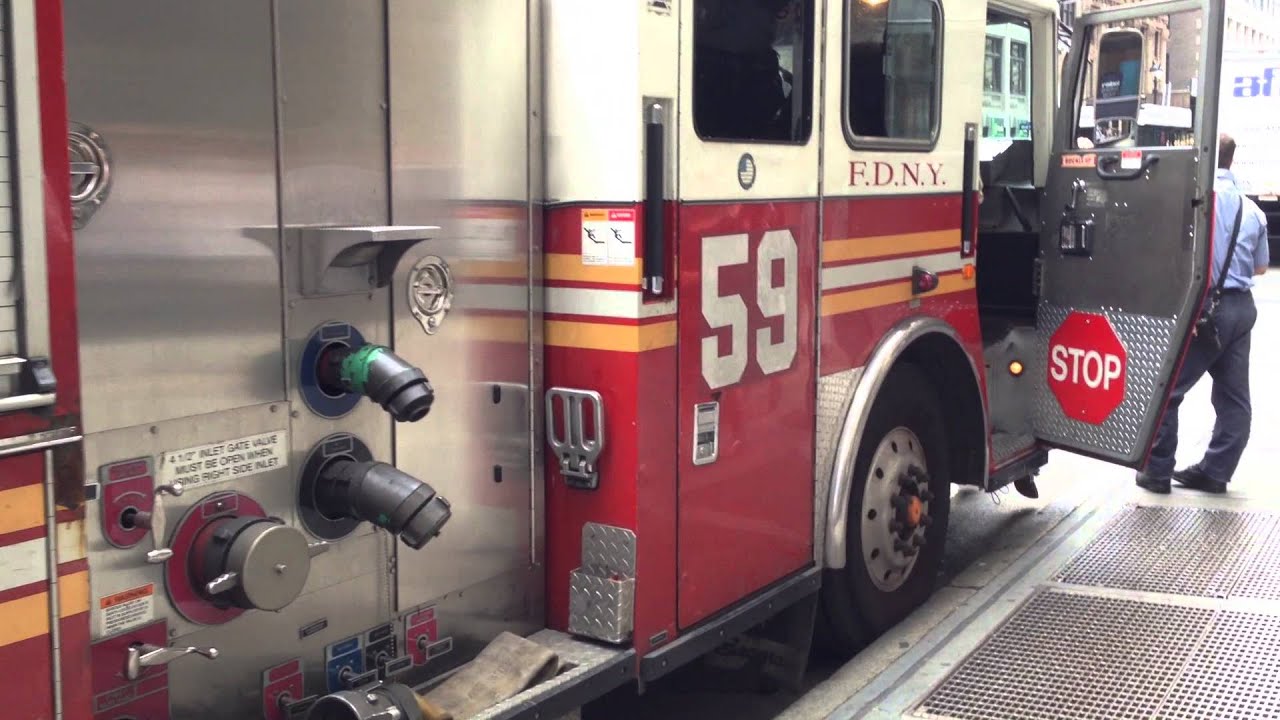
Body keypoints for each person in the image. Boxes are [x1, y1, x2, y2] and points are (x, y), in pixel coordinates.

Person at [1136, 133, 1270, 494]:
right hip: (1242, 309)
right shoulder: (1252, 209)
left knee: (1166, 391)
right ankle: (1215, 472)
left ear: (1207, 157)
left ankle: (1158, 471)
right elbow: (1260, 268)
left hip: (1207, 308)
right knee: (1234, 399)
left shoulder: (1198, 204)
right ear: (1231, 160)